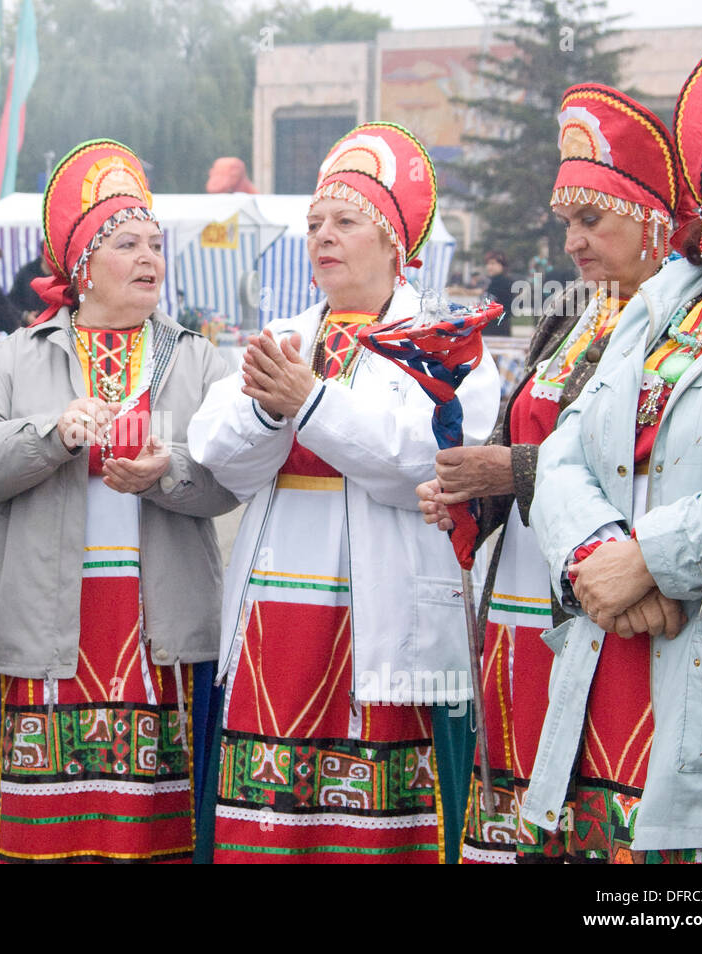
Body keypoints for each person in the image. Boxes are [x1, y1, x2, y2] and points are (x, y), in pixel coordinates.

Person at [188, 122, 500, 863]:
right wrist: (271, 411)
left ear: (395, 242)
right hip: (276, 613)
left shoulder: (447, 343)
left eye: (345, 222)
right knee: (266, 823)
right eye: (314, 224)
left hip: (382, 613)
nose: (323, 236)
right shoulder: (283, 336)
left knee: (380, 827)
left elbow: (425, 464)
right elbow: (217, 456)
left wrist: (309, 403)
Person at [0, 139, 237, 863]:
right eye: (127, 244)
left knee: (158, 834)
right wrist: (51, 435)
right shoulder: (20, 354)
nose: (148, 258)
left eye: (155, 245)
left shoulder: (197, 358)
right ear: (82, 268)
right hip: (45, 623)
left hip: (159, 628)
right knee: (49, 833)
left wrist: (168, 470)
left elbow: (235, 475)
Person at [416, 85, 683, 863]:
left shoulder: (683, 326)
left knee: (602, 811)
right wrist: (471, 495)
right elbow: (518, 431)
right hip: (522, 601)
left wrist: (513, 470)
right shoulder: (574, 310)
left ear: (652, 219)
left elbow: (646, 458)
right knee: (523, 809)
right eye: (567, 223)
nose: (572, 241)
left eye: (591, 220)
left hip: (616, 601)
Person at [523, 27, 702, 862]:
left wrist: (652, 559)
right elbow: (566, 451)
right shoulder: (665, 303)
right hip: (614, 655)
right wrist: (598, 555)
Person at [8, 243, 48, 323]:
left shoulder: (63, 274)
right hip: (30, 325)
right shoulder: (27, 272)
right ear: (42, 255)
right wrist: (25, 315)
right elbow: (13, 300)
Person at [480, 251, 515, 336]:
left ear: (502, 266)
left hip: (498, 331)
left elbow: (508, 309)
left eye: (493, 264)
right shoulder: (490, 282)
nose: (489, 267)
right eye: (488, 264)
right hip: (486, 329)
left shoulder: (506, 283)